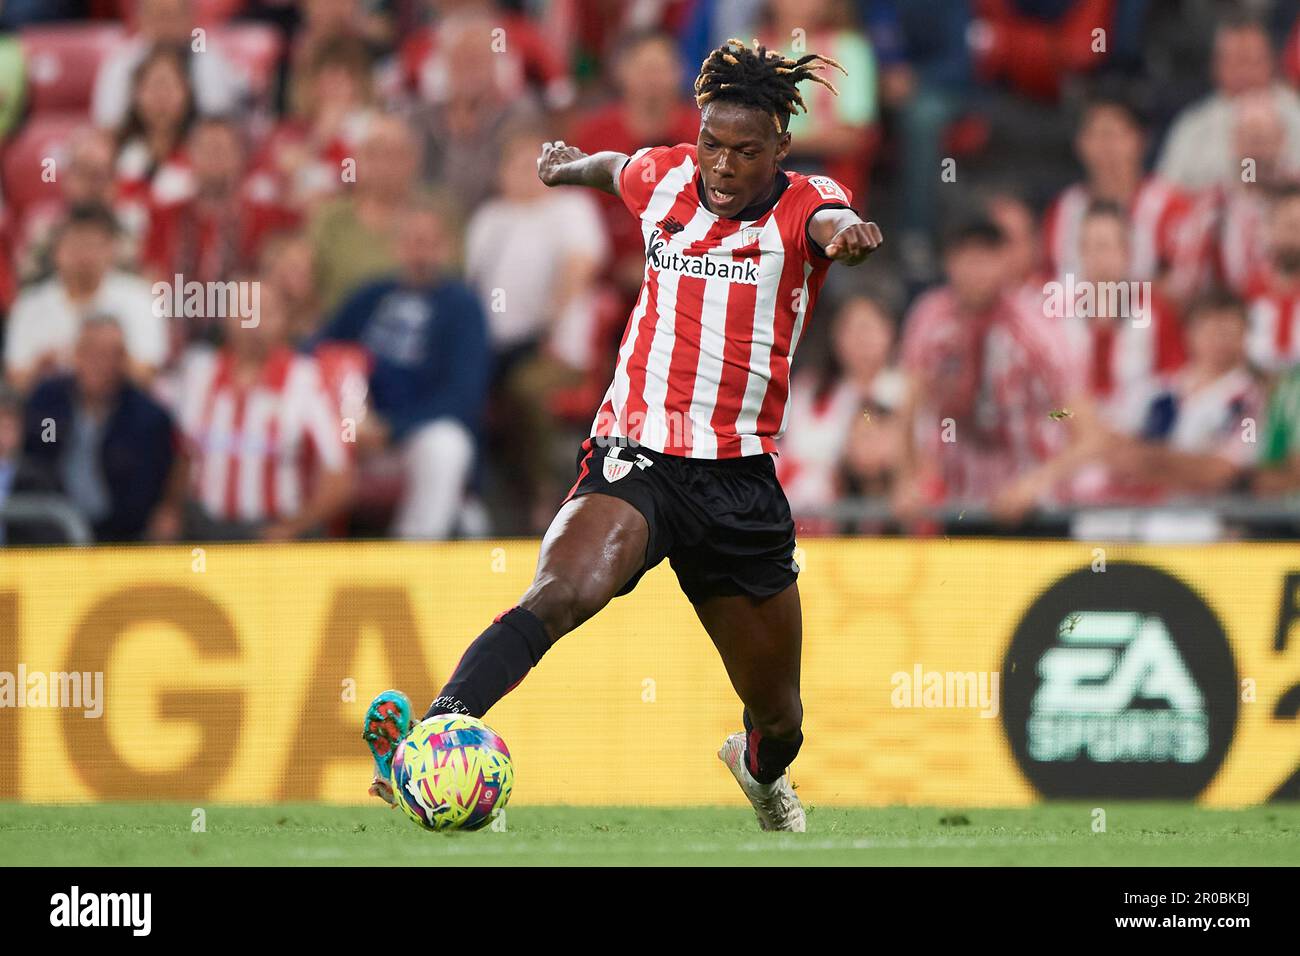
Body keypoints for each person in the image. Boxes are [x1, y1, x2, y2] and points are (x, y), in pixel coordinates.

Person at [361, 39, 884, 832]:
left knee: (779, 718)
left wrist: (848, 235)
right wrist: (566, 165)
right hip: (636, 455)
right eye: (712, 143)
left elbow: (830, 223)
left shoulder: (804, 205)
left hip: (738, 481)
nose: (722, 165)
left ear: (779, 145)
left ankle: (758, 767)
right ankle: (434, 738)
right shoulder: (667, 174)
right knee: (562, 591)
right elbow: (617, 166)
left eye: (745, 151)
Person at [312, 202, 491, 540]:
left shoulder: (464, 306)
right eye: (411, 241)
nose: (419, 251)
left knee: (447, 445)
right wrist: (346, 417)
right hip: (356, 429)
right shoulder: (370, 295)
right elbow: (319, 349)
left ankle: (414, 552)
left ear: (447, 248)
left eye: (429, 242)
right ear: (396, 246)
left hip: (415, 432)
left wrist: (392, 428)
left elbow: (463, 396)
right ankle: (296, 541)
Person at [21, 317, 179, 542]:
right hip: (51, 530)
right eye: (91, 352)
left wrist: (167, 510)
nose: (100, 364)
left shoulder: (147, 417)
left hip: (122, 538)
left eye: (111, 355)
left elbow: (162, 476)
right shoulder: (47, 403)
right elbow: (36, 457)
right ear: (76, 354)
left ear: (124, 360)